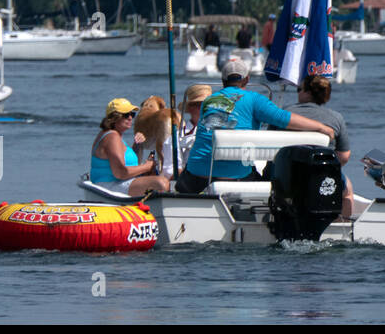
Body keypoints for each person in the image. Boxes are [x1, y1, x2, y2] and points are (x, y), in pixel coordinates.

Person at [176, 58, 339, 193]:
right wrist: (321, 128)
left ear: (223, 81)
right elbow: (283, 118)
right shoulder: (254, 99)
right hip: (237, 176)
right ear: (247, 79)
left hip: (197, 177)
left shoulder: (208, 101)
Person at [282, 74, 354, 221]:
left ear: (308, 92)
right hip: (322, 177)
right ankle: (341, 225)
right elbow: (344, 157)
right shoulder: (336, 118)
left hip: (288, 175)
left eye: (299, 89)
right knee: (347, 192)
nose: (298, 93)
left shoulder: (283, 114)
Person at [90, 98, 170, 196]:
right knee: (161, 183)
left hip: (118, 183)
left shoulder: (114, 135)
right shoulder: (112, 137)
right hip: (109, 186)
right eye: (126, 115)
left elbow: (125, 163)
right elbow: (120, 173)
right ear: (114, 117)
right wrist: (147, 166)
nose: (130, 118)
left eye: (132, 114)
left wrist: (137, 145)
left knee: (163, 178)